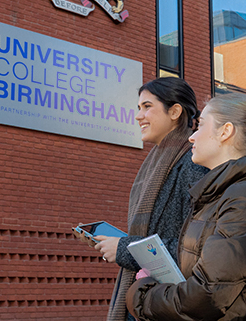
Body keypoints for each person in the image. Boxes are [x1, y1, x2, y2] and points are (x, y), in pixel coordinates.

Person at [125, 93, 246, 320]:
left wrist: (141, 293)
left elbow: (205, 297)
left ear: (225, 131)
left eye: (200, 126)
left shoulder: (245, 197)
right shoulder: (227, 193)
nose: (192, 137)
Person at [91, 77, 208, 321]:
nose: (138, 116)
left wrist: (124, 249)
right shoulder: (156, 162)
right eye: (138, 108)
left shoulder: (193, 164)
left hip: (169, 303)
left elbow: (197, 248)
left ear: (175, 111)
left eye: (147, 107)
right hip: (149, 297)